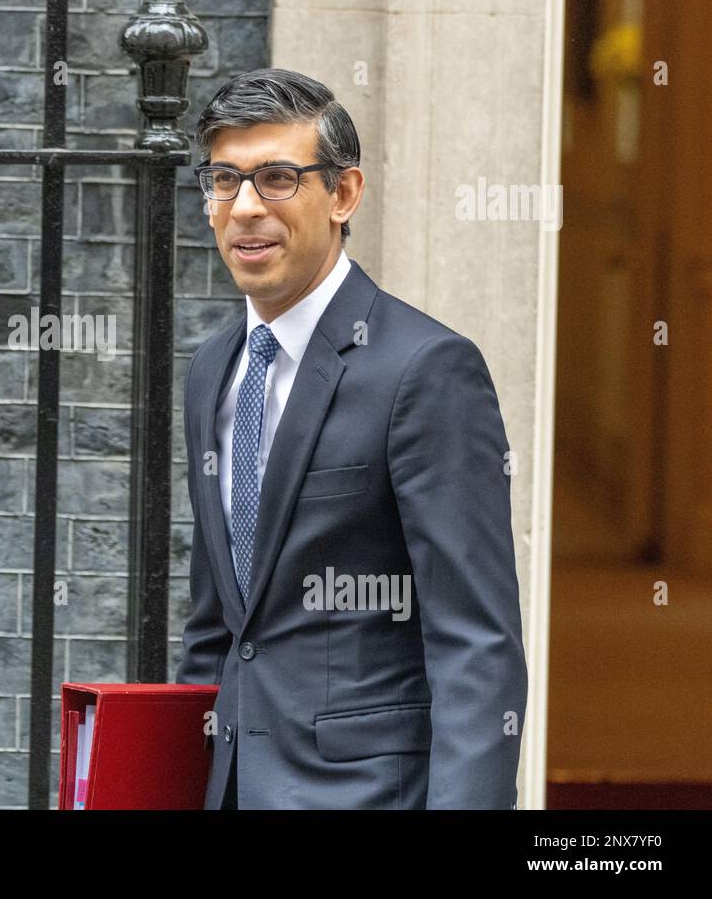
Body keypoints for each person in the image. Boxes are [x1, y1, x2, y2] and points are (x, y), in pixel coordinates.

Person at [176, 68, 528, 809]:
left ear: (342, 194)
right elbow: (217, 629)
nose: (244, 208)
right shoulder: (213, 369)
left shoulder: (426, 370)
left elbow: (476, 645)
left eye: (276, 178)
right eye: (223, 180)